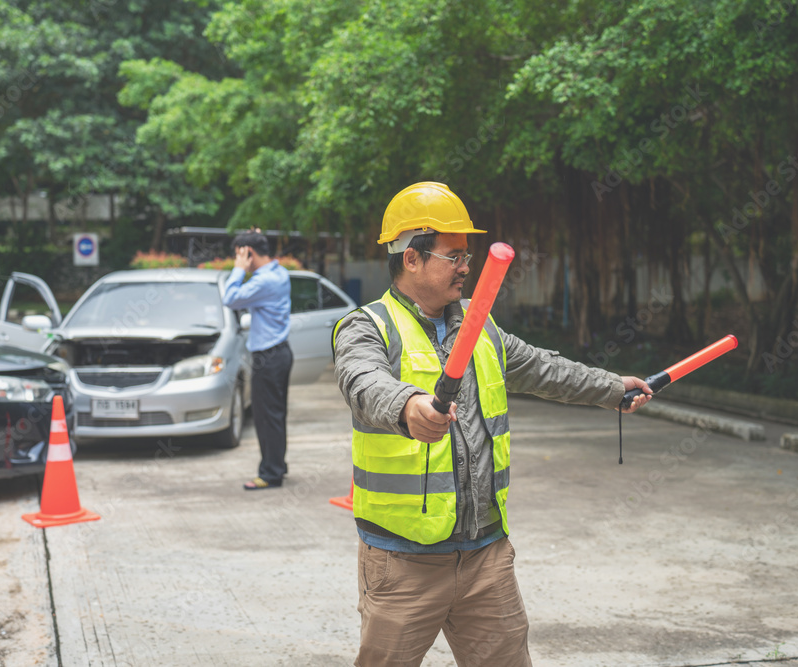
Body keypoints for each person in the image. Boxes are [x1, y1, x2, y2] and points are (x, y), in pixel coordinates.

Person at [332, 182, 652, 666]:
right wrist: (408, 405)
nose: (466, 267)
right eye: (454, 255)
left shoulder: (481, 328)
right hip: (403, 562)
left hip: (486, 556)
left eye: (468, 256)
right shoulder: (367, 326)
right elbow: (362, 380)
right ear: (411, 258)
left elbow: (545, 368)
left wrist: (611, 387)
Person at [222, 231, 293, 490]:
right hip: (280, 353)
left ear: (249, 253)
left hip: (269, 356)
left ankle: (271, 473)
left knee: (266, 416)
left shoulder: (264, 283)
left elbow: (230, 298)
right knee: (276, 414)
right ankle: (278, 464)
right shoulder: (279, 273)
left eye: (240, 254)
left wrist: (239, 269)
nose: (238, 259)